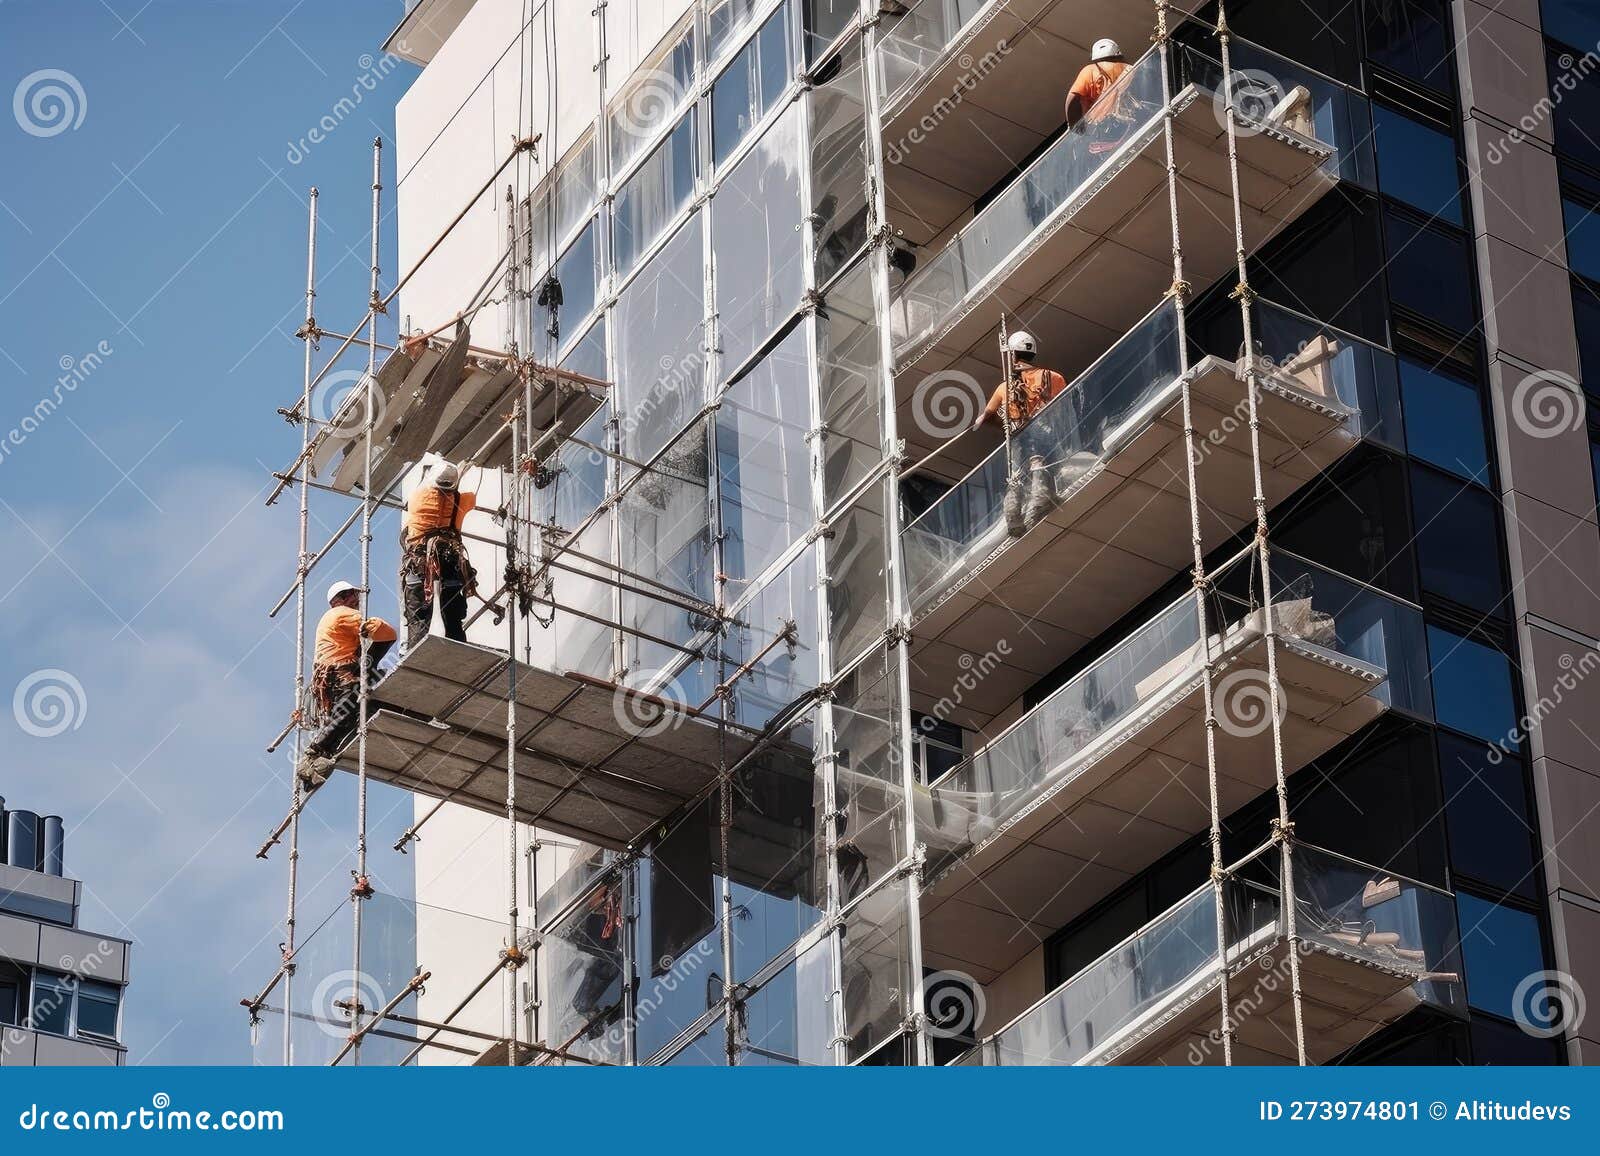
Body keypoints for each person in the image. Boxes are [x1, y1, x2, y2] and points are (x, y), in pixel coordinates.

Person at [972, 330, 1070, 536]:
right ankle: (1040, 500)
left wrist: (1003, 424)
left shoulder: (1004, 388)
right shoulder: (1054, 377)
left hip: (1019, 436)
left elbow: (984, 418)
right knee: (1040, 463)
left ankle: (1014, 516)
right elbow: (1064, 406)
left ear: (1013, 356)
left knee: (1016, 476)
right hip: (1046, 431)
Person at [300, 581, 397, 786]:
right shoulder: (342, 613)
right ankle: (313, 752)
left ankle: (319, 758)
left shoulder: (332, 617)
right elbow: (386, 632)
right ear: (342, 598)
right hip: (340, 674)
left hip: (334, 676)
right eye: (354, 596)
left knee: (348, 715)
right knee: (346, 711)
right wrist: (368, 628)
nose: (358, 601)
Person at [401, 458, 480, 647]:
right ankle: (457, 646)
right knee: (453, 612)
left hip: (420, 562)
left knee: (418, 613)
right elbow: (468, 497)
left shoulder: (417, 499)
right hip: (449, 561)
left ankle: (415, 651)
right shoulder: (462, 500)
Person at [1067, 39, 1131, 152]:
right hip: (1128, 126)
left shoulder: (1091, 70)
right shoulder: (1129, 69)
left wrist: (1077, 129)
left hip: (1103, 131)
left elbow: (1072, 100)